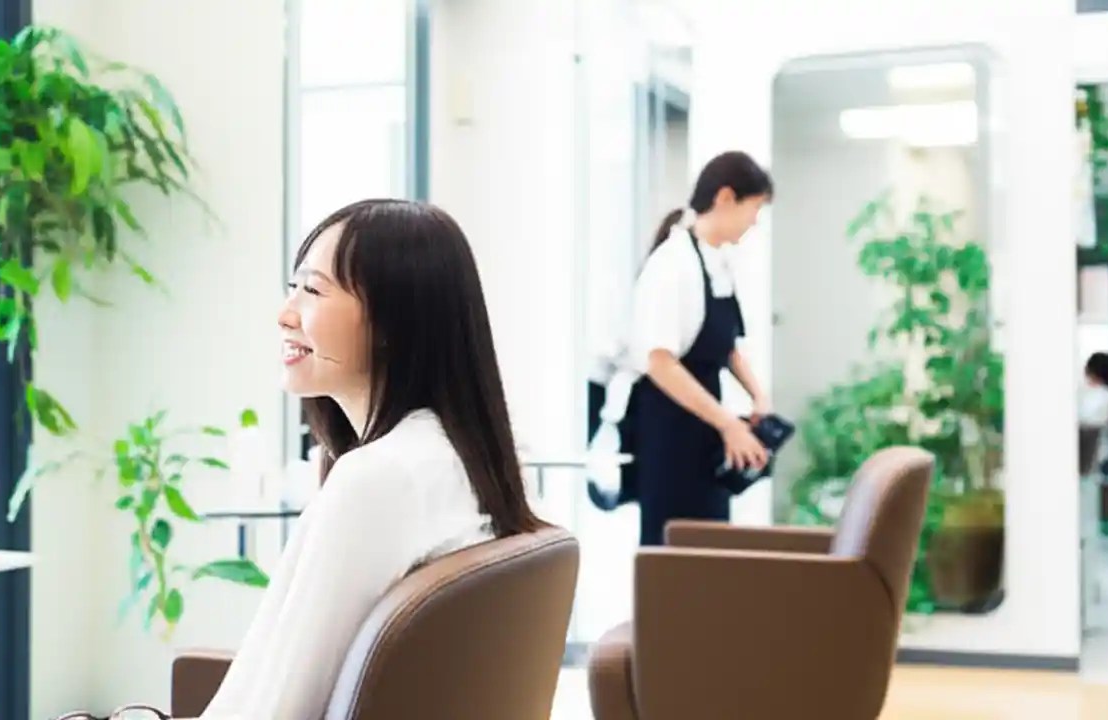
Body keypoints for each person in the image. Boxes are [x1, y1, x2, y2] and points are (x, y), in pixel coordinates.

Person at [200, 199, 544, 719]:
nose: (285, 313)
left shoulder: (380, 479)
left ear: (392, 323)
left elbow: (283, 706)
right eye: (293, 286)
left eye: (312, 290)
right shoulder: (459, 459)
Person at [594, 150, 774, 546]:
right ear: (726, 198)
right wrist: (728, 423)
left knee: (710, 546)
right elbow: (660, 362)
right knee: (675, 550)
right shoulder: (672, 265)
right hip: (670, 431)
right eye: (754, 208)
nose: (755, 222)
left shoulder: (718, 263)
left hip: (705, 427)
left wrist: (758, 397)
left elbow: (726, 347)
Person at [1080, 351, 1108, 534]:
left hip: (1093, 446)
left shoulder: (1100, 394)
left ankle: (1104, 521)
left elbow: (1089, 418)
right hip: (1099, 448)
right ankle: (1106, 521)